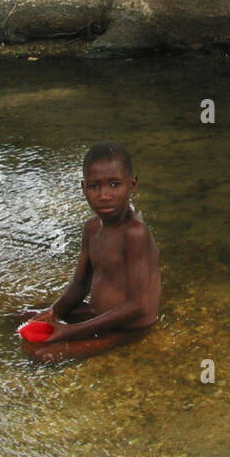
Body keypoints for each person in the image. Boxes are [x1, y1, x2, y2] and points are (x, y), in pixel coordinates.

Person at [22, 141, 161, 362]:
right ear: (83, 187)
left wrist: (71, 331)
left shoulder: (135, 233)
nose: (104, 195)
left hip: (128, 328)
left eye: (115, 184)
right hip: (100, 315)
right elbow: (80, 284)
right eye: (94, 186)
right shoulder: (92, 228)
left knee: (45, 356)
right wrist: (55, 311)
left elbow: (139, 305)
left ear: (132, 185)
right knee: (26, 317)